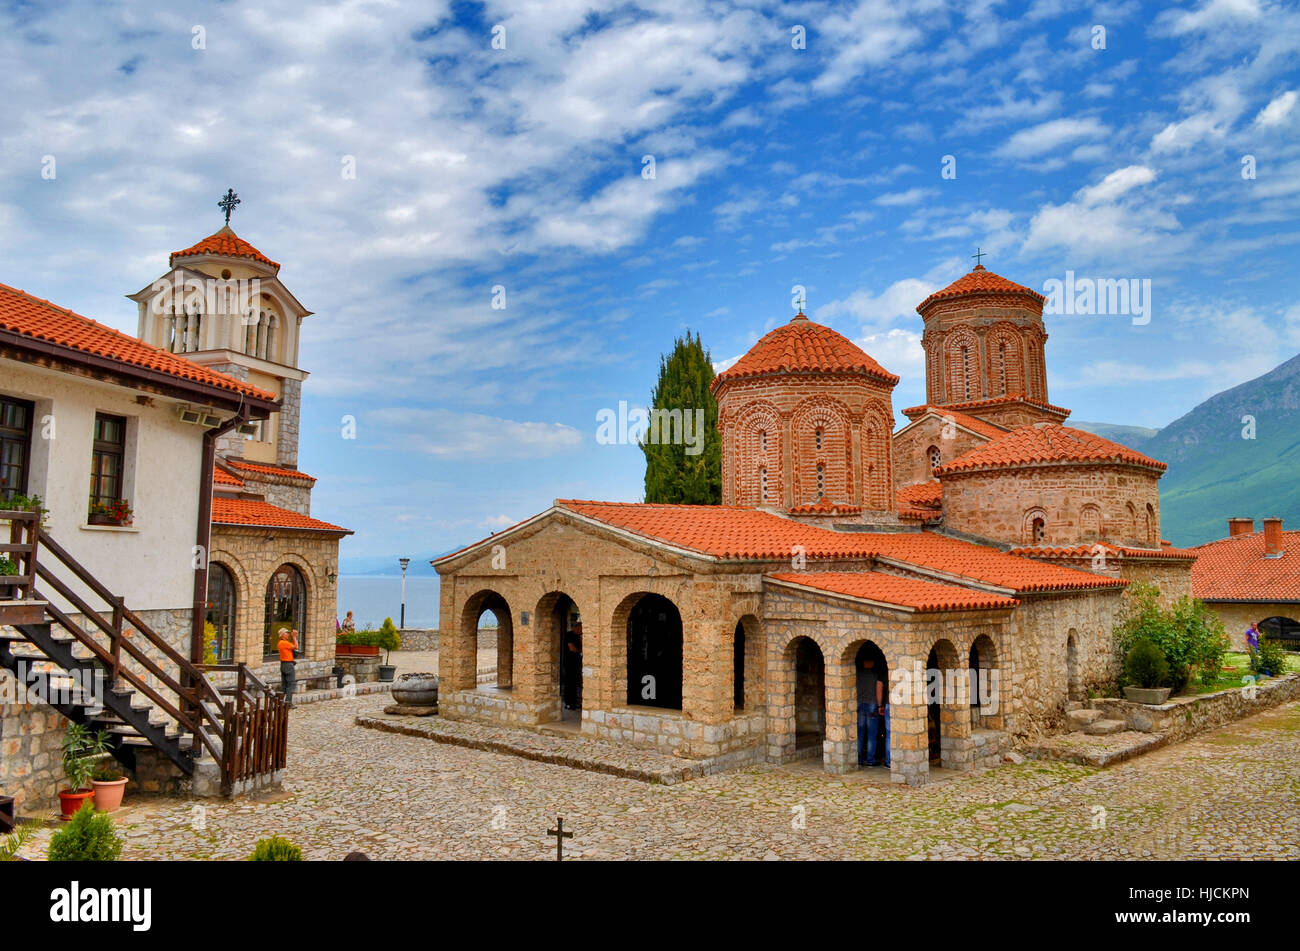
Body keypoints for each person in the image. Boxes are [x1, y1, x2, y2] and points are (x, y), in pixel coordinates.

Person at [857, 654, 889, 768]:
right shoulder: (875, 675)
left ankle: (859, 759)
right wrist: (880, 705)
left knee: (860, 734)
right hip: (872, 705)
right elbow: (879, 689)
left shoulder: (858, 675)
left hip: (859, 704)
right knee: (871, 734)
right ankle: (870, 760)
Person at [562, 621, 583, 710]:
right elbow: (572, 648)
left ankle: (575, 702)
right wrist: (580, 651)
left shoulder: (579, 636)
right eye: (581, 628)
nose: (582, 630)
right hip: (569, 663)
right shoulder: (569, 635)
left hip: (577, 663)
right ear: (576, 628)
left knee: (576, 683)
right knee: (569, 683)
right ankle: (568, 703)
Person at [278, 628, 299, 707]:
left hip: (283, 664)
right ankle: (288, 703)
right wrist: (294, 637)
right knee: (290, 684)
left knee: (284, 685)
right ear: (283, 634)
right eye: (286, 633)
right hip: (288, 665)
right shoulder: (284, 643)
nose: (288, 634)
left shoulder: (281, 643)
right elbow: (296, 647)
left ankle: (280, 702)